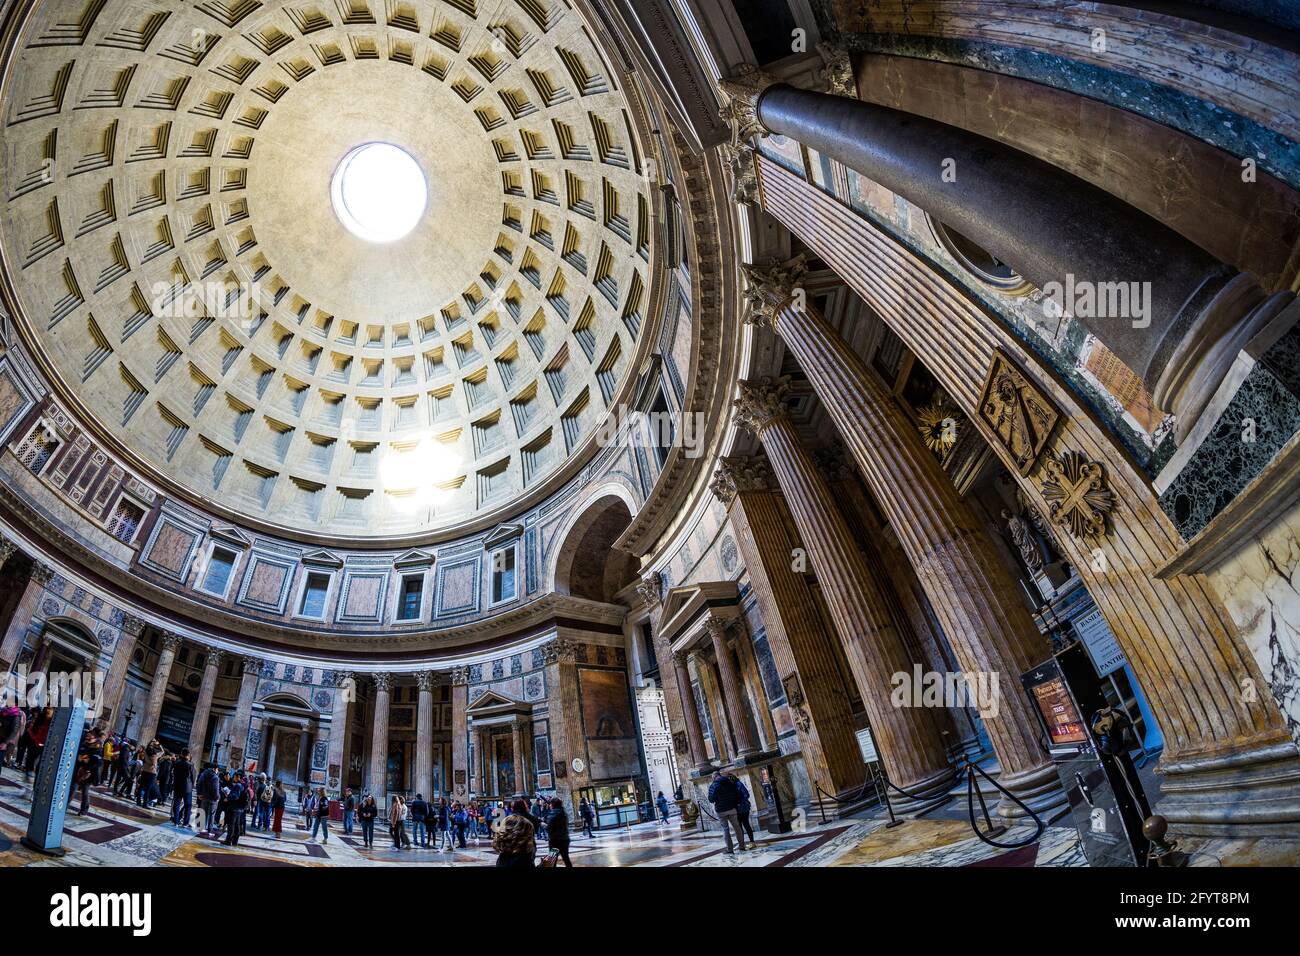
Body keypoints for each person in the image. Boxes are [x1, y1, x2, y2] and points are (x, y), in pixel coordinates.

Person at [707, 770, 747, 854]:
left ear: (714, 778)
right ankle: (742, 846)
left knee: (725, 829)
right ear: (719, 775)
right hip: (732, 809)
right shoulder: (729, 782)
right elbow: (737, 794)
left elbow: (711, 799)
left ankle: (730, 849)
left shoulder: (714, 785)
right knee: (737, 828)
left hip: (721, 811)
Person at [171, 749, 194, 827]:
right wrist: (192, 785)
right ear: (188, 755)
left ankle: (176, 821)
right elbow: (193, 777)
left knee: (176, 804)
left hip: (177, 785)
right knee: (188, 805)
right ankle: (185, 823)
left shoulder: (177, 763)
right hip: (187, 787)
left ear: (181, 754)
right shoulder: (190, 765)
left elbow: (174, 773)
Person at [0, 705, 24, 781]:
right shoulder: (3, 711)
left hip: (6, 740)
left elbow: (14, 730)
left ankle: (8, 762)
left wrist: (5, 743)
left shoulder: (17, 715)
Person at [224, 771, 248, 846]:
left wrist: (228, 797)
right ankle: (235, 841)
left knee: (231, 824)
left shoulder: (238, 785)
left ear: (238, 777)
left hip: (234, 807)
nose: (233, 778)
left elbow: (235, 796)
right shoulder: (244, 785)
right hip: (240, 808)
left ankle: (228, 840)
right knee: (236, 825)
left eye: (234, 776)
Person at [546, 797, 572, 867]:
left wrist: (543, 825)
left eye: (550, 804)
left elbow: (549, 828)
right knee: (566, 858)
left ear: (553, 804)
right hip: (565, 839)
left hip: (555, 841)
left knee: (552, 861)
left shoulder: (553, 814)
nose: (550, 805)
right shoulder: (563, 812)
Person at [195, 762, 219, 833]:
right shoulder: (215, 777)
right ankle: (209, 829)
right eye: (217, 769)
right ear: (215, 769)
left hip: (204, 796)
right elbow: (215, 789)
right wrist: (217, 797)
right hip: (212, 798)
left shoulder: (203, 774)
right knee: (211, 814)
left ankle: (201, 828)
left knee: (203, 812)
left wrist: (199, 794)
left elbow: (199, 783)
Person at [732, 773, 756, 843]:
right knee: (740, 827)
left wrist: (740, 802)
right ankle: (743, 843)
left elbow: (746, 795)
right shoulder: (733, 786)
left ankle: (751, 841)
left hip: (743, 808)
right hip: (737, 809)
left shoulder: (739, 784)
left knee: (745, 825)